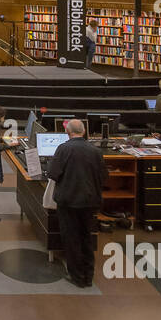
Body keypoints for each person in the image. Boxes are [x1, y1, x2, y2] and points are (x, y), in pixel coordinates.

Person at [46, 119, 110, 287]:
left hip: (68, 201)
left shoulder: (63, 149)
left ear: (68, 132)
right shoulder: (96, 151)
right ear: (84, 132)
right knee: (86, 237)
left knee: (71, 238)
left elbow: (53, 173)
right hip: (90, 201)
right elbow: (104, 176)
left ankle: (77, 276)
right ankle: (88, 276)